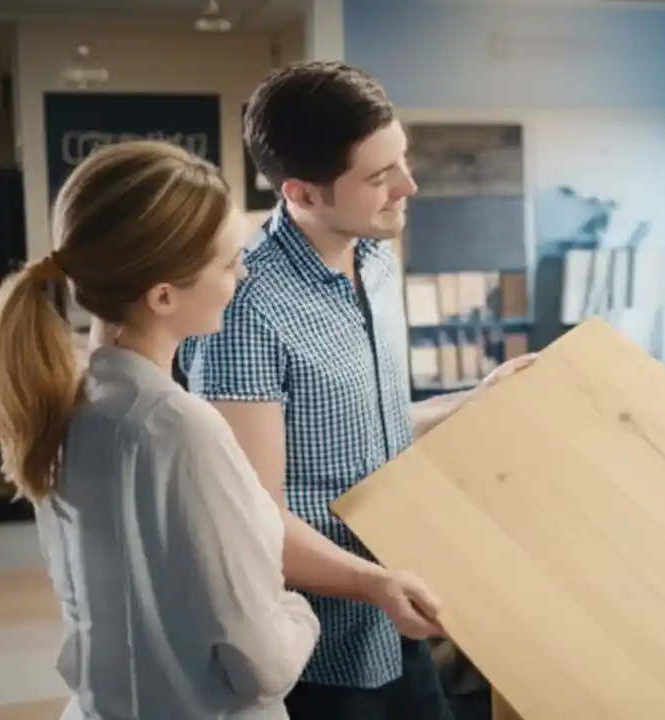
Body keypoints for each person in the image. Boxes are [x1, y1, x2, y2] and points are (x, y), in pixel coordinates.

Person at [177, 61, 535, 720]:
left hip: (400, 619)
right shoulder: (247, 310)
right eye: (378, 177)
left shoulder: (374, 256)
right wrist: (377, 585)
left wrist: (476, 398)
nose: (408, 185)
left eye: (400, 159)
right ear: (304, 193)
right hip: (318, 651)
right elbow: (251, 519)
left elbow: (370, 428)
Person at [0, 141, 320, 719]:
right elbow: (261, 664)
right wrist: (298, 611)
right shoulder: (181, 431)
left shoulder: (65, 405)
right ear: (163, 296)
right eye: (229, 261)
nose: (243, 271)